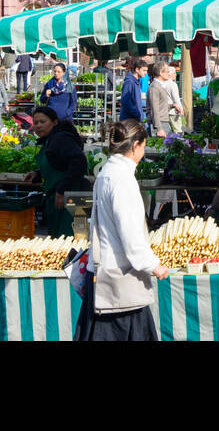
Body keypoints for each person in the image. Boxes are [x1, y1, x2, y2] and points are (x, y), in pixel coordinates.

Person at [79, 119, 170, 341]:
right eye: (144, 145)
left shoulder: (108, 172)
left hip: (106, 275)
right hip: (118, 283)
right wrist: (153, 265)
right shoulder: (122, 179)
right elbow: (130, 234)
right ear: (135, 145)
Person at [30, 106, 90, 237]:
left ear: (55, 122)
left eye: (43, 121)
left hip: (74, 197)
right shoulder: (49, 140)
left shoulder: (61, 138)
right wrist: (38, 174)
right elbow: (59, 164)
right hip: (61, 197)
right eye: (36, 123)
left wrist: (62, 190)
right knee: (61, 243)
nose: (39, 126)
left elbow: (79, 162)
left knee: (76, 239)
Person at [146, 62, 181, 138]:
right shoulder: (155, 87)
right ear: (160, 73)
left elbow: (161, 105)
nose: (169, 74)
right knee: (159, 149)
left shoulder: (160, 86)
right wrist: (159, 128)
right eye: (167, 72)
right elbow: (154, 109)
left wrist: (173, 105)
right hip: (158, 123)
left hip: (162, 121)